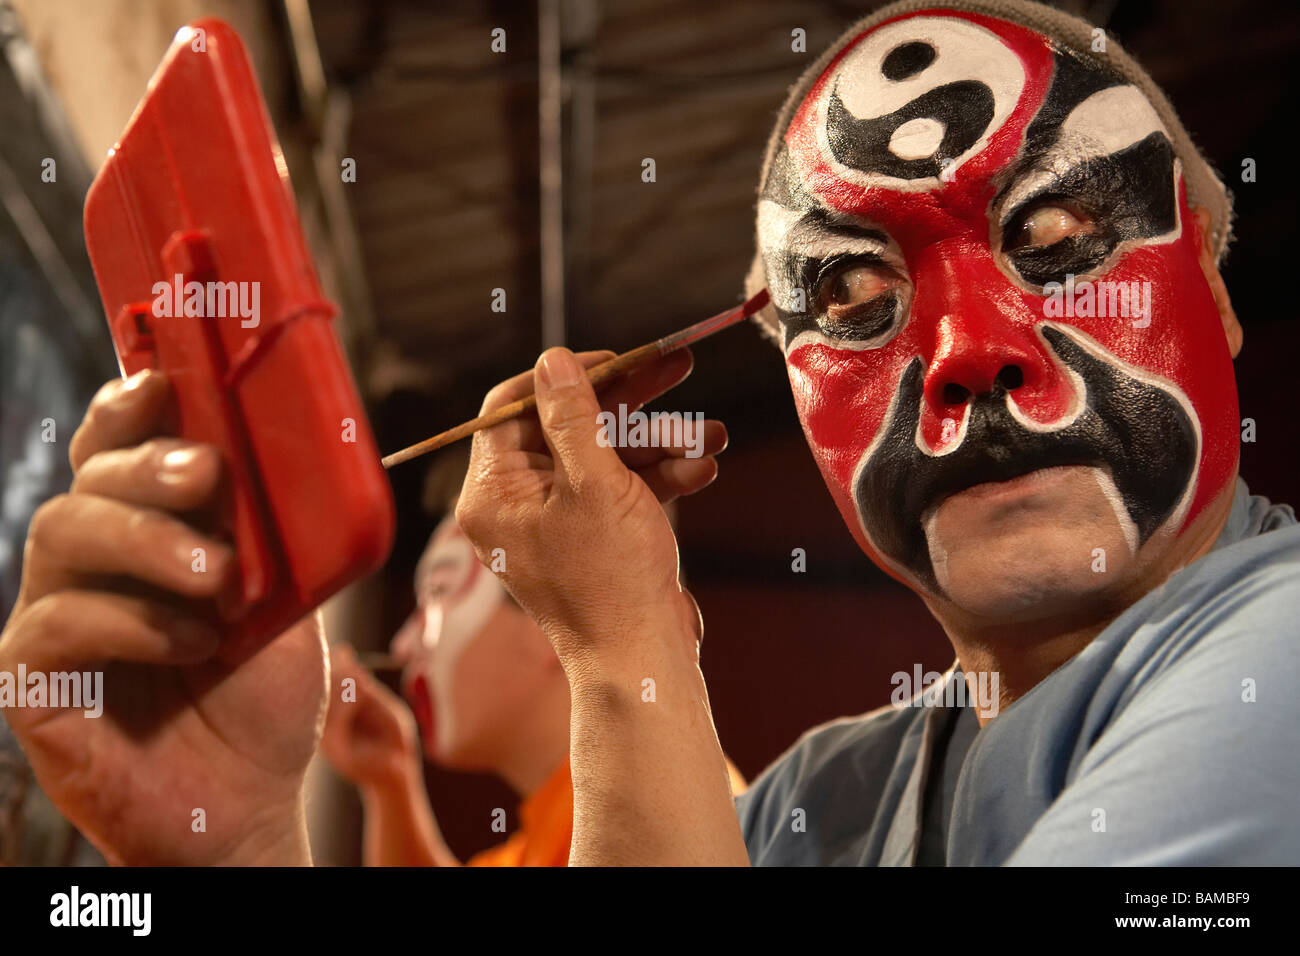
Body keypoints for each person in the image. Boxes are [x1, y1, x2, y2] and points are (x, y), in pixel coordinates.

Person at [451, 0, 1300, 865]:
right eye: (850, 291)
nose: (966, 352)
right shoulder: (813, 806)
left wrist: (618, 644)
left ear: (1214, 291)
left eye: (1051, 234)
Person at [0, 347, 722, 864]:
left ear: (549, 604)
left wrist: (626, 634)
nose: (404, 646)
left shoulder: (706, 808)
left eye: (438, 593)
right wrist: (263, 833)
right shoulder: (537, 842)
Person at [321, 470, 747, 866]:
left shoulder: (670, 809)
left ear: (556, 613)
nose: (402, 643)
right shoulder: (556, 833)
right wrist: (389, 780)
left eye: (440, 591)